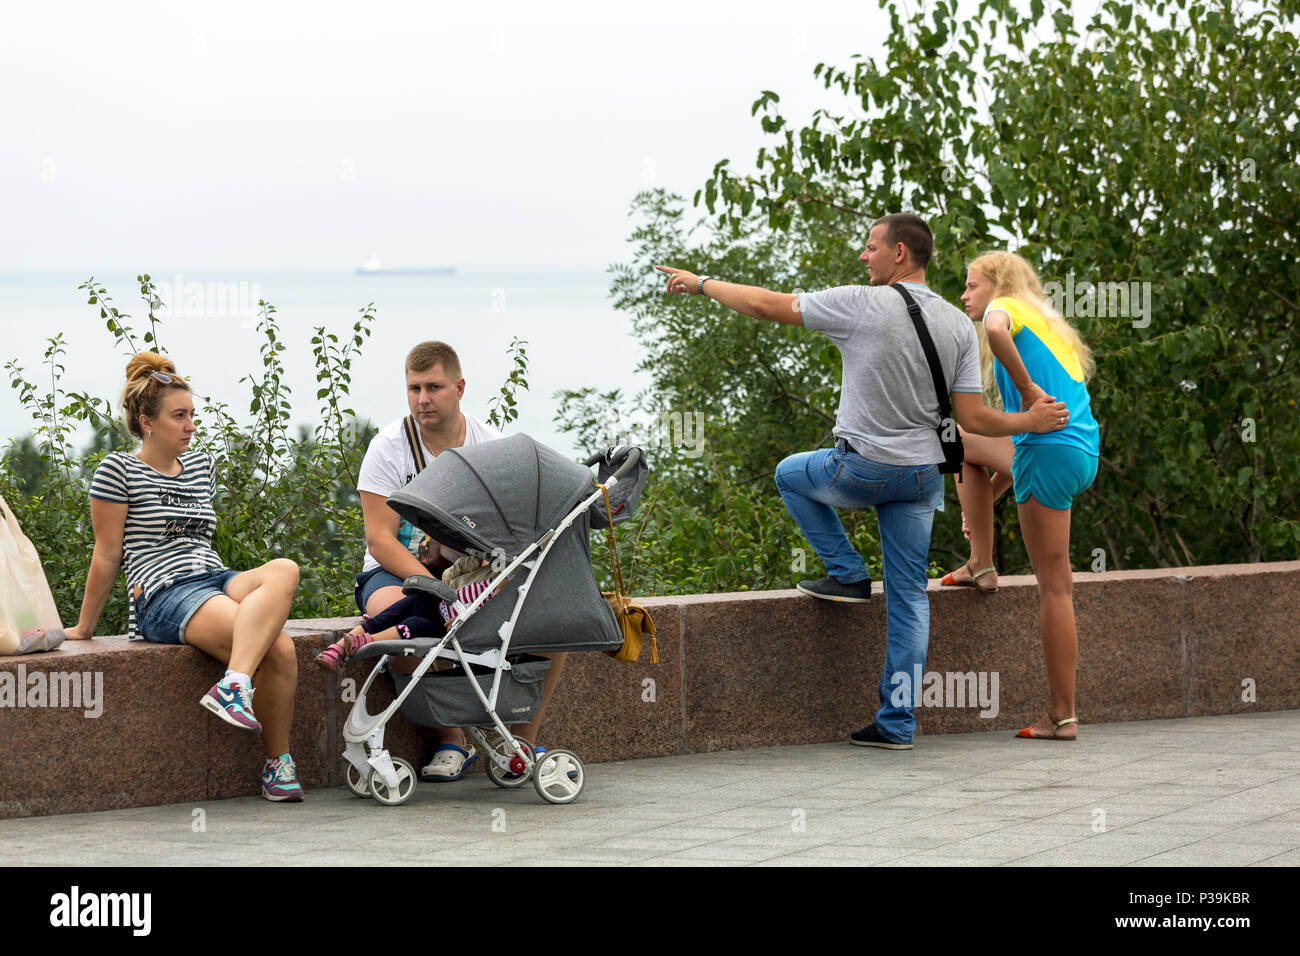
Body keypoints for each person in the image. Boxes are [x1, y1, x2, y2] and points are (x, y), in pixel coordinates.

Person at [655, 213, 1069, 750]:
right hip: (921, 479)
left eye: (871, 247)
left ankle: (847, 572)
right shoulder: (955, 324)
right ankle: (896, 724)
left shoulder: (859, 303)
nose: (862, 256)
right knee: (908, 600)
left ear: (900, 253)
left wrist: (701, 282)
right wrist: (1028, 423)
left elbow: (764, 304)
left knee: (789, 475)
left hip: (863, 469)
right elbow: (974, 420)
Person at [65, 352, 304, 801]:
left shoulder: (200, 467)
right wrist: (84, 627)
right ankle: (277, 761)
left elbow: (202, 544)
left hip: (213, 575)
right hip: (162, 590)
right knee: (282, 647)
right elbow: (107, 553)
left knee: (285, 569)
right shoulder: (118, 471)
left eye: (192, 414)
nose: (191, 424)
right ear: (147, 421)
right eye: (179, 416)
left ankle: (235, 686)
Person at [353, 341, 567, 780]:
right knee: (404, 622)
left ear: (460, 387)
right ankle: (451, 741)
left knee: (554, 622)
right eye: (413, 388)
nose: (422, 399)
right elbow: (379, 539)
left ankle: (517, 743)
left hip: (470, 571)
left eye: (433, 387)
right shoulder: (389, 448)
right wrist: (431, 587)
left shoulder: (489, 446)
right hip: (397, 572)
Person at [959, 251, 1099, 741]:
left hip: (1048, 448)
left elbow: (995, 331)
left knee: (1056, 588)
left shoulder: (1009, 309)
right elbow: (1018, 459)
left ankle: (1062, 716)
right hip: (1078, 451)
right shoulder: (1047, 320)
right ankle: (981, 560)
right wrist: (988, 501)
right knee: (963, 446)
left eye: (972, 285)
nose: (965, 295)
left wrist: (1027, 390)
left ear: (997, 285)